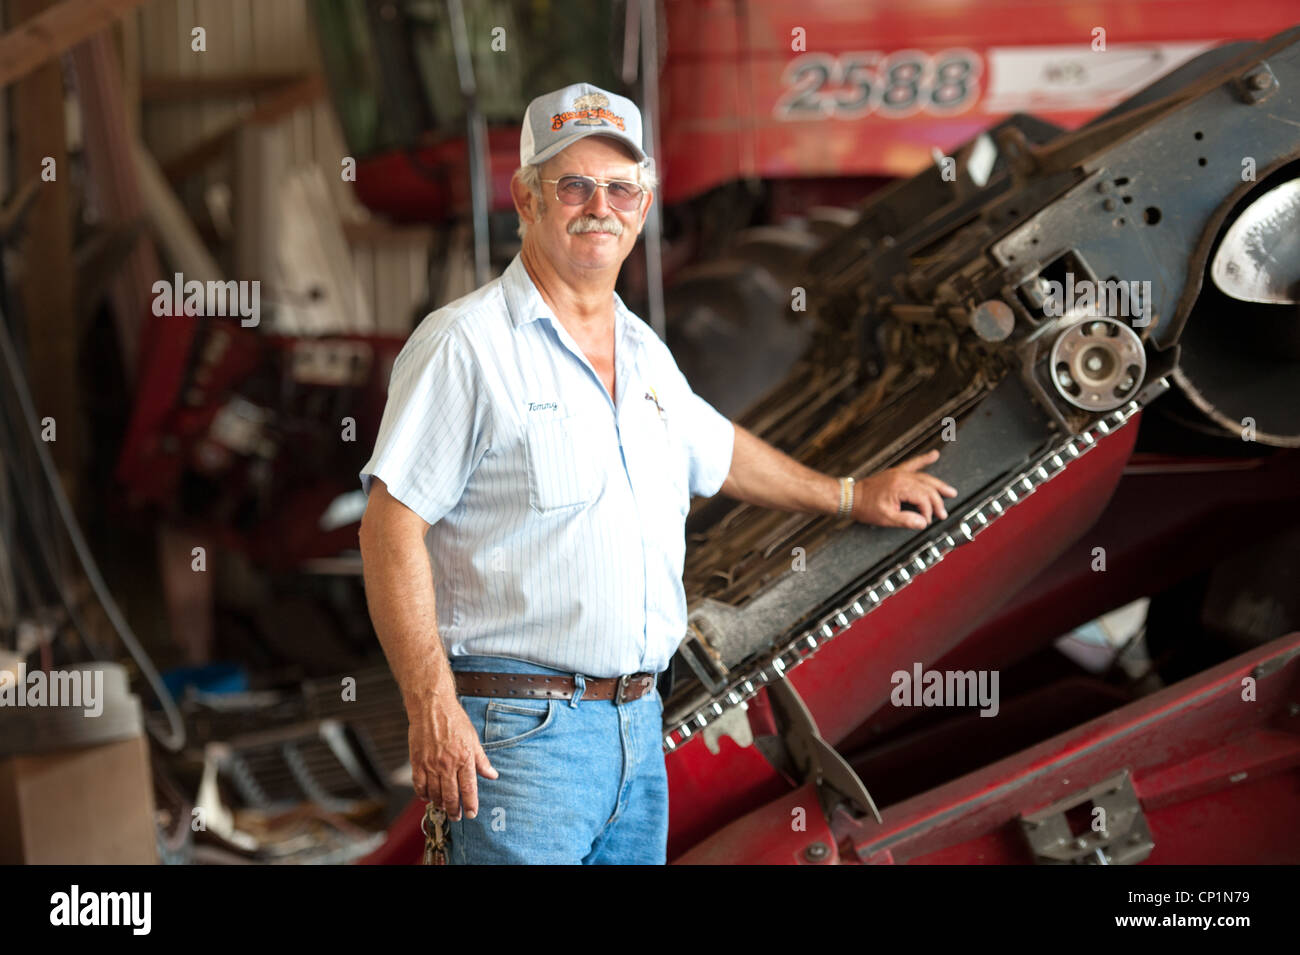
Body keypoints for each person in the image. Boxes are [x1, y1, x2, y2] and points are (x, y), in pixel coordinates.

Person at [358, 82, 957, 864]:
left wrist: (849, 494)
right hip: (520, 739)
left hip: (639, 730)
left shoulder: (643, 351)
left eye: (618, 188)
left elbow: (719, 448)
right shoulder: (466, 346)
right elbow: (390, 524)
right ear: (526, 199)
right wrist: (431, 701)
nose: (597, 207)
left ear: (641, 208)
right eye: (573, 185)